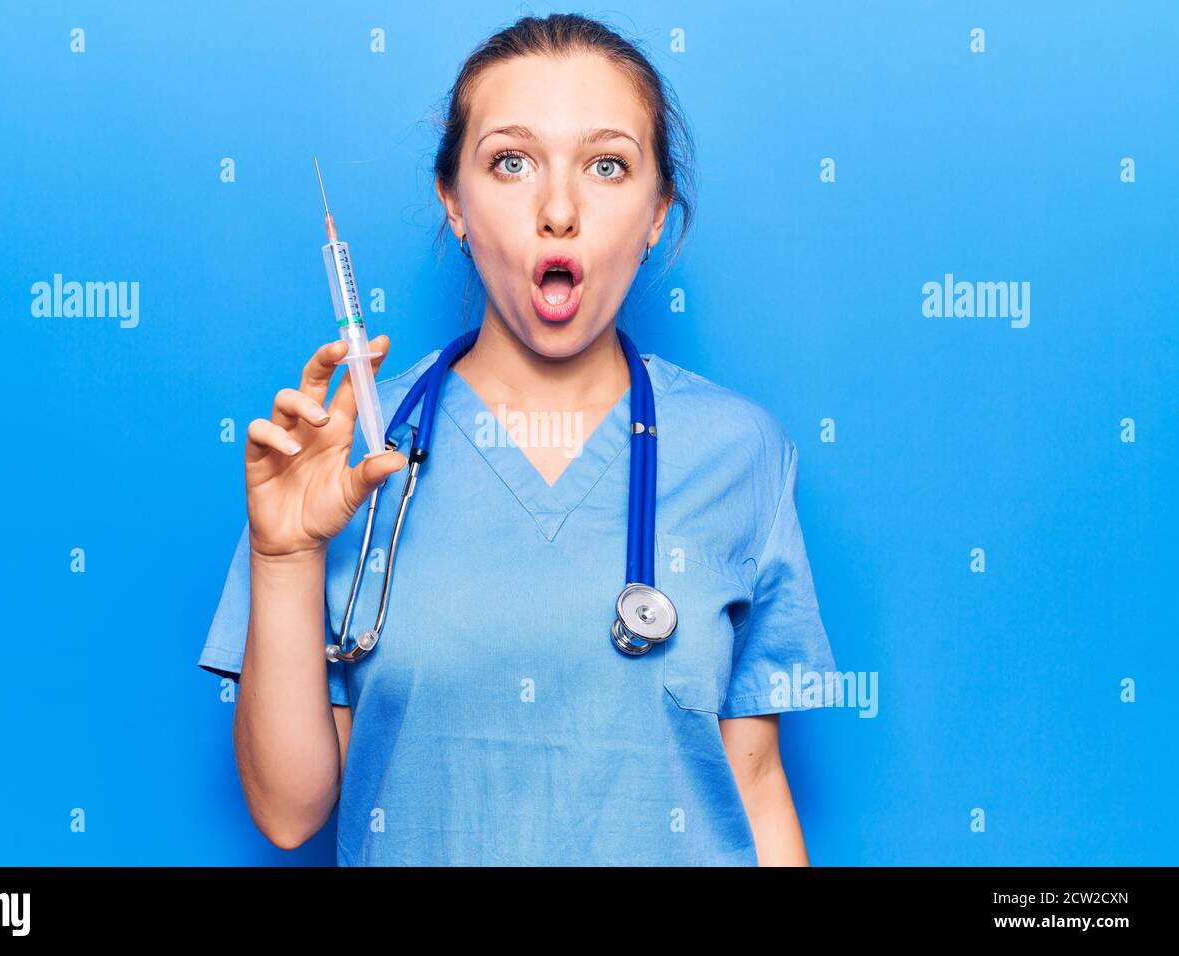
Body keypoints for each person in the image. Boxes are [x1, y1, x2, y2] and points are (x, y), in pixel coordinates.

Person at [198, 12, 837, 866]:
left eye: (607, 165)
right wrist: (283, 558)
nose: (559, 210)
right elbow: (287, 814)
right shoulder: (347, 453)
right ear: (453, 202)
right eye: (511, 162)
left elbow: (755, 790)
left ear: (656, 214)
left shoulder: (740, 453)